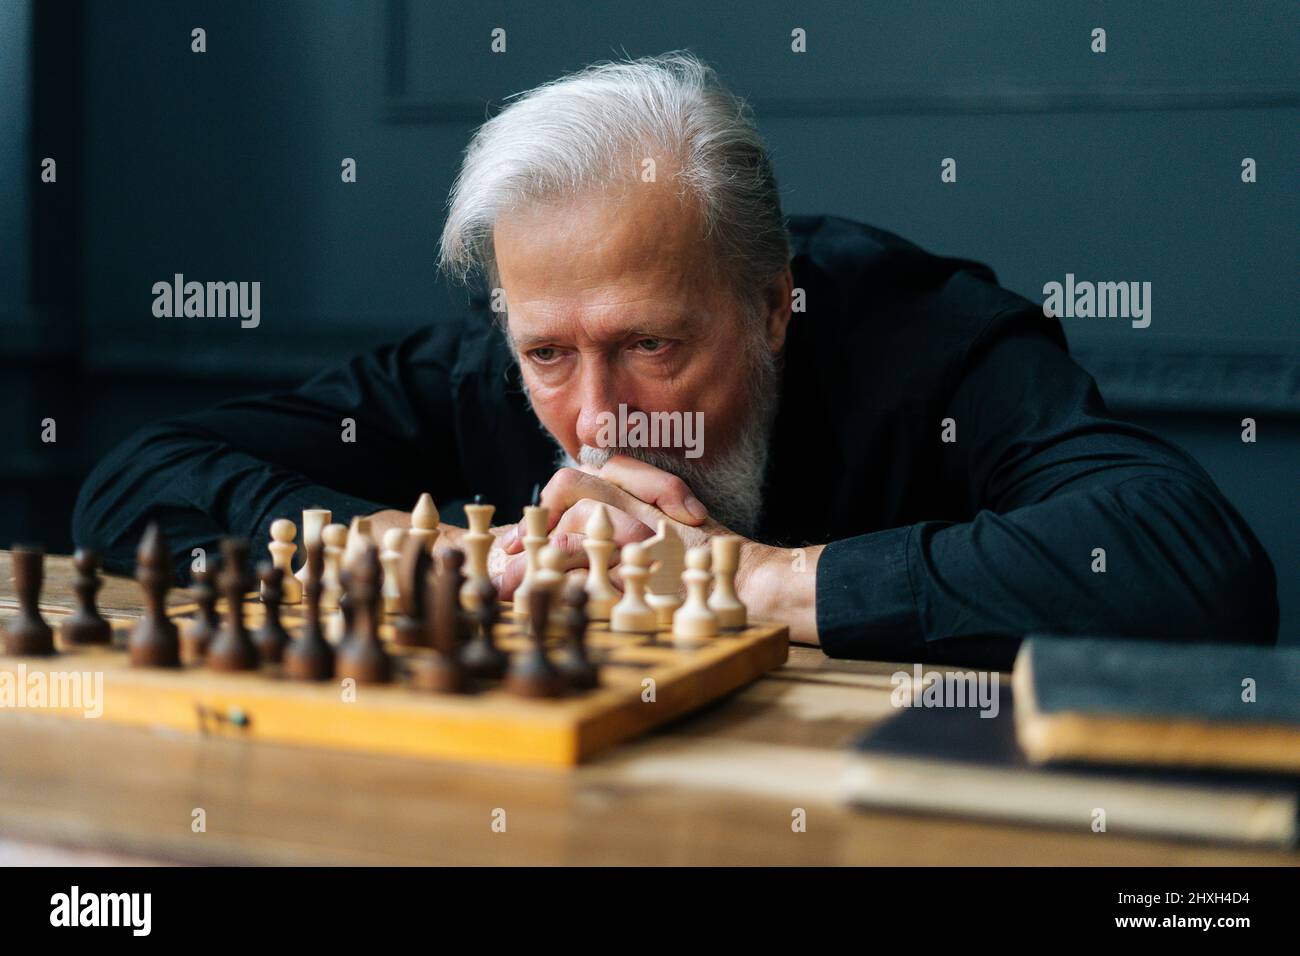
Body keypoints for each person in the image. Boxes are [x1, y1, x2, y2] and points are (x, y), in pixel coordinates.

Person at [73, 53, 1277, 666]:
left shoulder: (928, 338)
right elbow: (138, 478)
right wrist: (424, 552)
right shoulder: (492, 363)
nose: (599, 417)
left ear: (770, 304)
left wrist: (750, 579)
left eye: (651, 344)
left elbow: (1193, 565)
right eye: (548, 352)